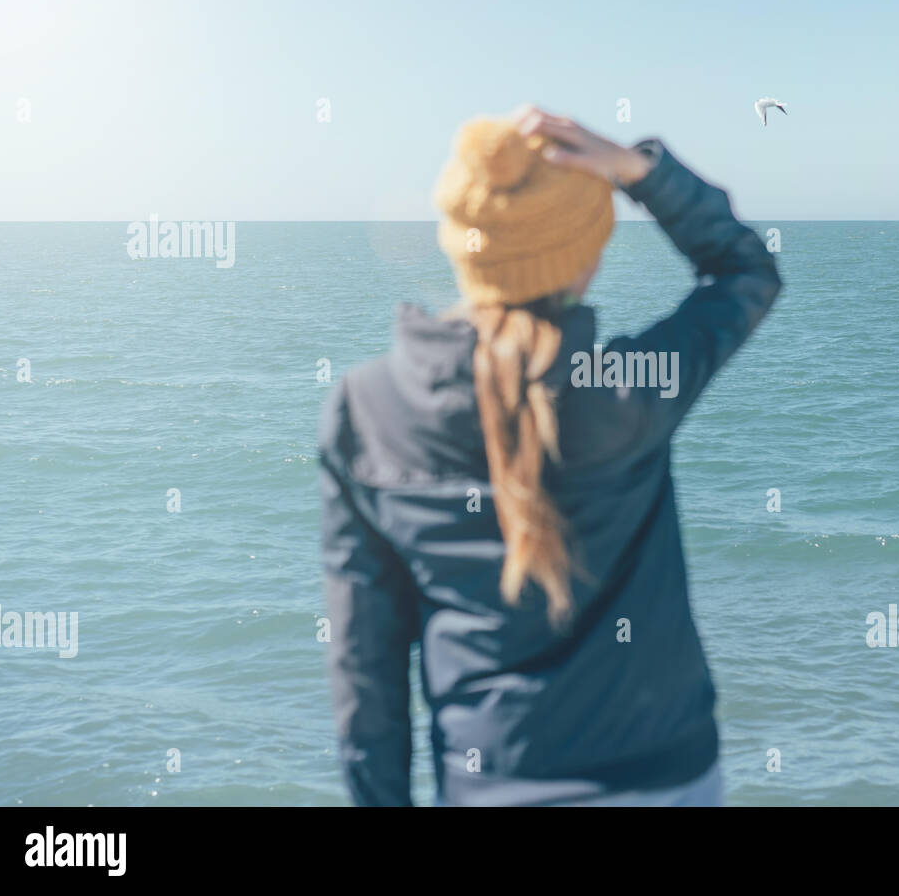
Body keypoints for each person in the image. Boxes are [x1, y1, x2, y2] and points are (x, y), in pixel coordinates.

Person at [319, 106, 782, 806]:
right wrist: (638, 171)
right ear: (587, 259)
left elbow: (365, 667)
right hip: (664, 777)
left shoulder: (366, 408)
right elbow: (745, 272)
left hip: (493, 783)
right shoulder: (626, 388)